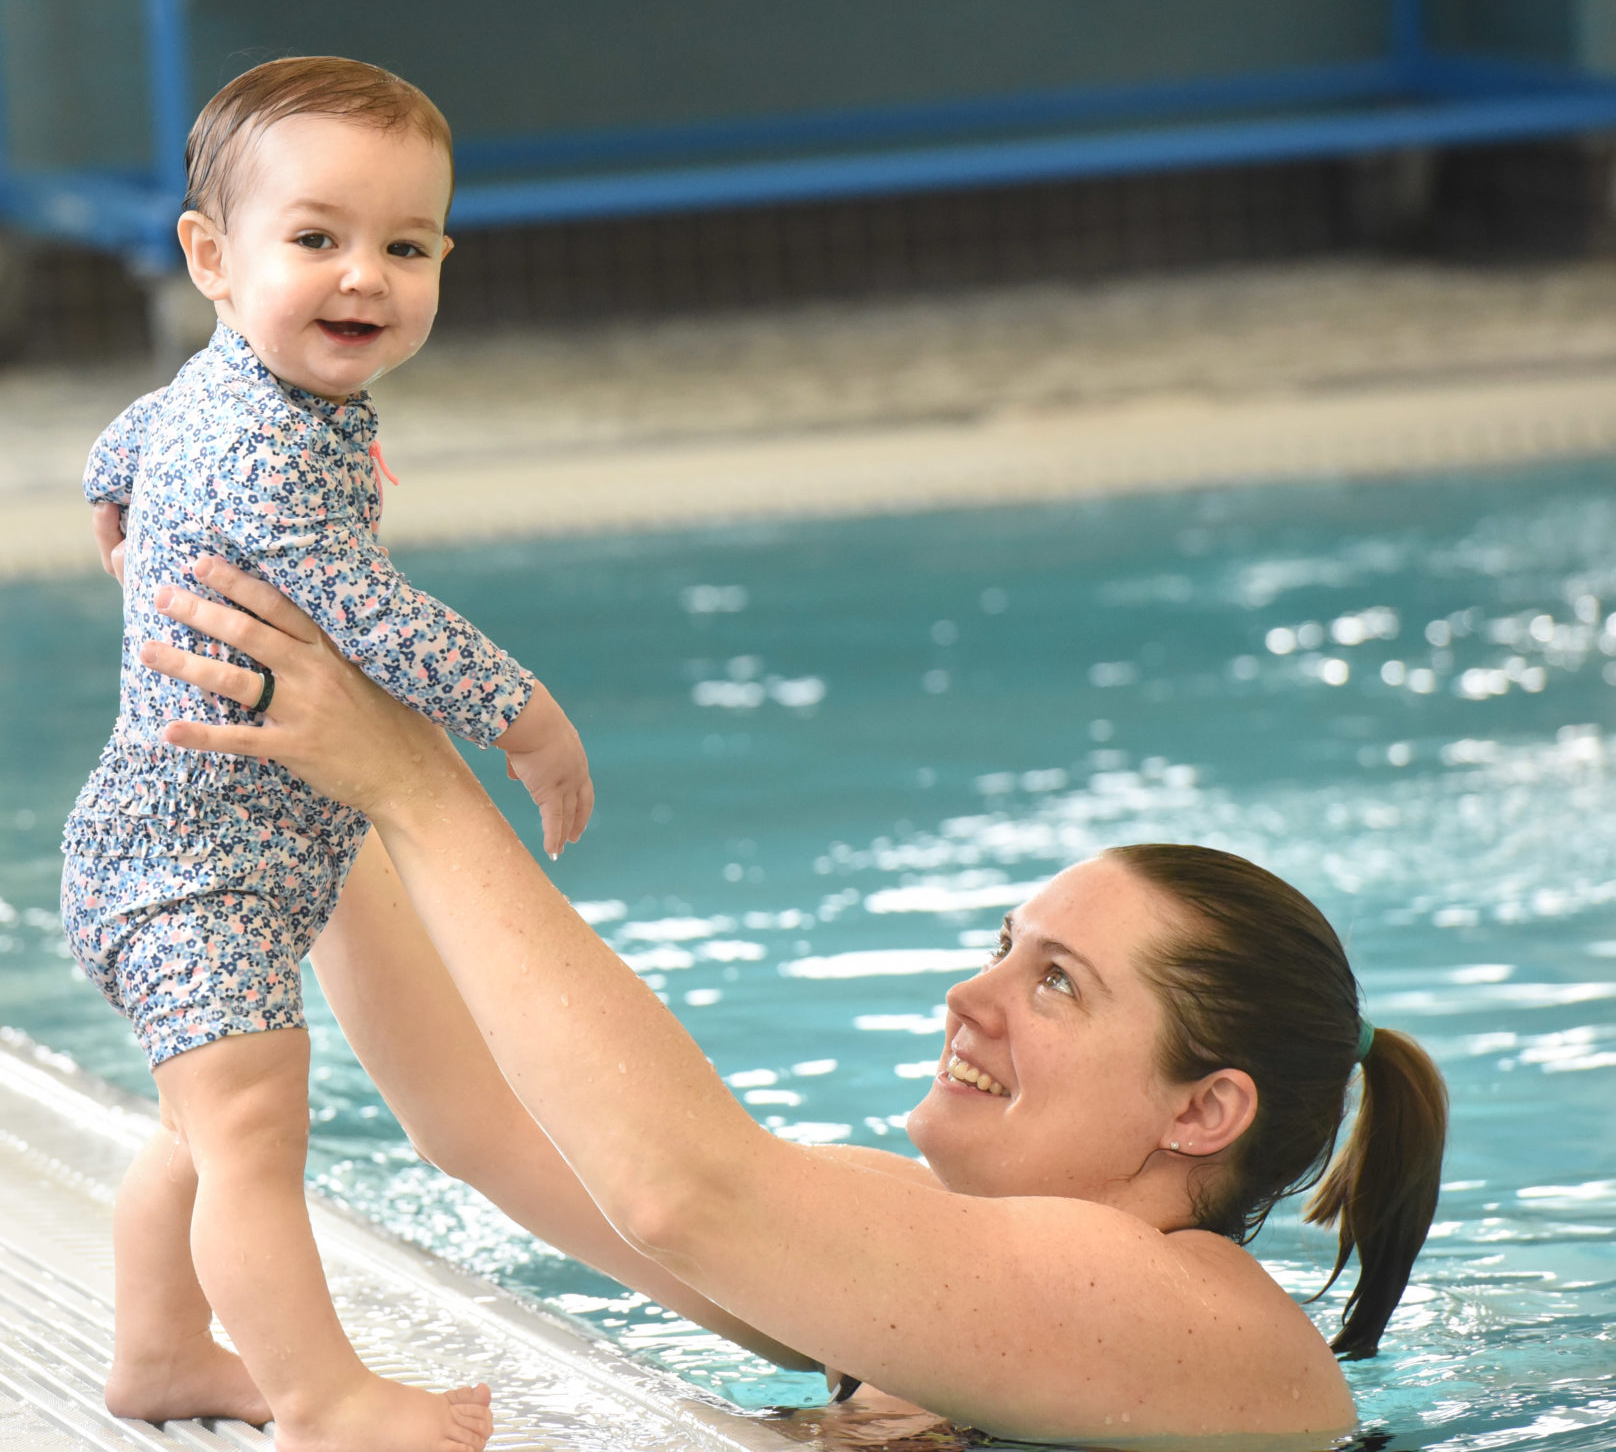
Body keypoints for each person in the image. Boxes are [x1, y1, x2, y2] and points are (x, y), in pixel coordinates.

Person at [127, 555, 1452, 1447]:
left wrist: (418, 779)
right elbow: (483, 1119)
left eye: (1055, 980)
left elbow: (685, 1191)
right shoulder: (940, 1264)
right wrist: (305, 756)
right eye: (1003, 941)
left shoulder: (1208, 1321)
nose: (969, 993)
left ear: (1205, 1106)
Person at [62, 58, 593, 1451]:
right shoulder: (270, 449)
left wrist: (119, 514)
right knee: (251, 1133)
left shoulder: (228, 387)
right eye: (319, 238)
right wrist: (530, 720)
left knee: (198, 1125)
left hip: (196, 842)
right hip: (194, 866)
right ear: (213, 256)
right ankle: (322, 1401)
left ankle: (164, 1351)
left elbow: (122, 440)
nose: (366, 276)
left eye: (405, 247)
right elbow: (380, 621)